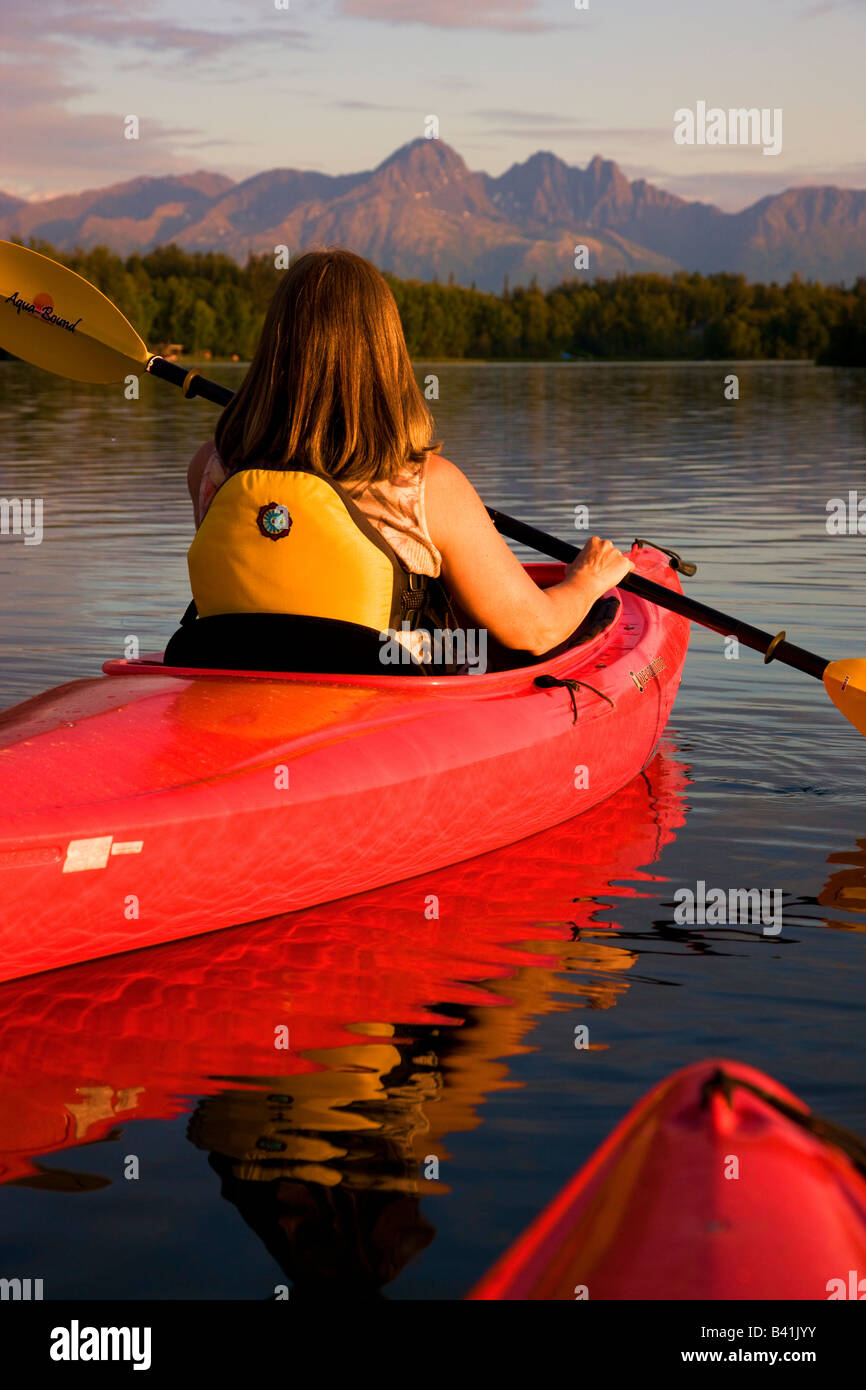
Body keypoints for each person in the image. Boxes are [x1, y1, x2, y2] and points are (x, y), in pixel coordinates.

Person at [181, 248, 633, 674]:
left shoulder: (211, 467)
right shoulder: (425, 487)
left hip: (233, 681)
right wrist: (587, 581)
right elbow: (536, 631)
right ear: (385, 352)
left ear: (274, 347)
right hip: (382, 708)